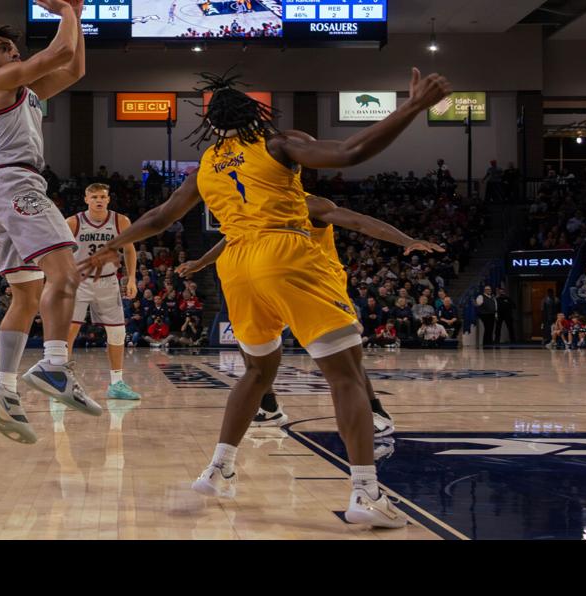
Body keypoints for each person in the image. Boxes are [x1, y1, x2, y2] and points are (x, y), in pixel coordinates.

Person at [82, 65, 453, 528]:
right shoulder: (278, 143)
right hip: (286, 253)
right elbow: (350, 151)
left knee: (257, 372)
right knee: (347, 376)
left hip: (236, 265)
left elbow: (158, 218)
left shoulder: (207, 167)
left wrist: (112, 247)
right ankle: (366, 493)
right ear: (257, 114)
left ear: (213, 125)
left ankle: (218, 467)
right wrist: (414, 106)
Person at [182, 192, 441, 434]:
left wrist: (406, 240)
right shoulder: (258, 205)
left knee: (343, 354)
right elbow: (233, 237)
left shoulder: (308, 203)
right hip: (273, 280)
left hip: (315, 282)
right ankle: (269, 406)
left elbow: (358, 222)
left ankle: (375, 412)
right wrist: (202, 262)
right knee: (250, 341)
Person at [0, 2, 97, 445]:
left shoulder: (23, 90)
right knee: (66, 276)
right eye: (3, 47)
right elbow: (55, 54)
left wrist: (73, 15)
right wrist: (65, 11)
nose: (14, 52)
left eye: (15, 47)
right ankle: (55, 366)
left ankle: (4, 387)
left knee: (27, 297)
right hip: (16, 184)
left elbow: (72, 70)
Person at [63, 183, 141, 400]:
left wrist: (132, 277)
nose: (99, 200)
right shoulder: (72, 222)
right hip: (80, 281)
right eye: (94, 196)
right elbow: (60, 252)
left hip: (108, 282)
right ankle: (63, 383)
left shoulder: (120, 221)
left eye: (102, 197)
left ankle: (116, 383)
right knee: (69, 332)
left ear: (108, 199)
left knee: (117, 332)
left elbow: (129, 249)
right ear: (86, 199)